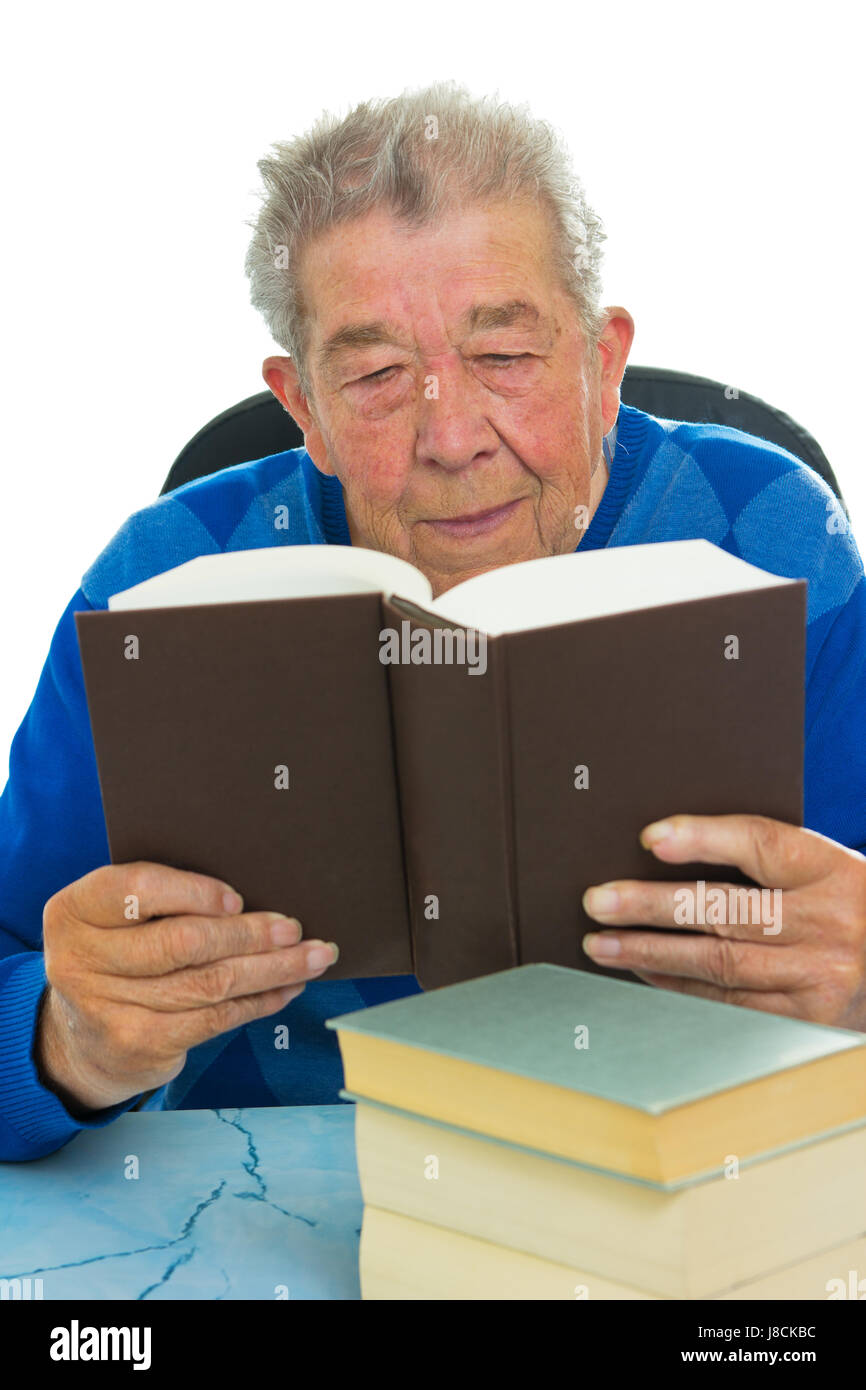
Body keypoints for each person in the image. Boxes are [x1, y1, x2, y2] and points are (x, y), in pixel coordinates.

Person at [2, 83, 864, 1163]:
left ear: (602, 364)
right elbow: (12, 965)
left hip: (686, 1188)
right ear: (301, 406)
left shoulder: (770, 533)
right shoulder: (155, 586)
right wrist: (61, 1039)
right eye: (372, 376)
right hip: (263, 1199)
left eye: (503, 356)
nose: (451, 437)